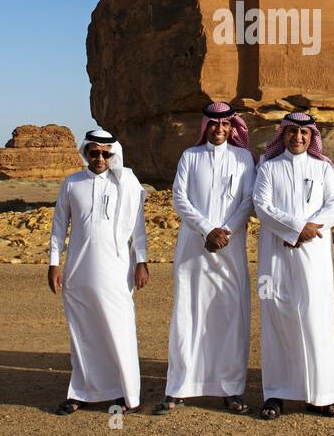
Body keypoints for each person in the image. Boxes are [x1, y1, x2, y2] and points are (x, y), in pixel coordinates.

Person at [155, 101, 257, 415]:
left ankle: (230, 388)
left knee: (229, 316)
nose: (219, 130)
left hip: (230, 247)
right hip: (193, 249)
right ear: (206, 127)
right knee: (188, 313)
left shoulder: (243, 159)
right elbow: (180, 198)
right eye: (214, 125)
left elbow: (248, 200)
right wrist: (205, 230)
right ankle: (179, 387)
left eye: (225, 125)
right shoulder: (190, 156)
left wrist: (224, 231)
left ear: (232, 127)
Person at [47, 128, 149, 415]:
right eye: (94, 152)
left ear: (113, 154)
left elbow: (137, 226)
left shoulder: (126, 183)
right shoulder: (71, 183)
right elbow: (59, 227)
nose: (100, 158)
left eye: (106, 153)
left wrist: (141, 260)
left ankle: (123, 393)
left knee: (118, 328)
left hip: (117, 268)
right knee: (83, 330)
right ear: (85, 153)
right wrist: (54, 262)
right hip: (78, 269)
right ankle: (82, 392)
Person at [252, 111, 334, 420]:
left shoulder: (323, 169)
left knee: (316, 318)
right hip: (275, 254)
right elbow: (262, 206)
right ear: (284, 134)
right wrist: (295, 228)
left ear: (312, 136)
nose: (298, 137)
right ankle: (277, 393)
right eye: (292, 132)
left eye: (305, 133)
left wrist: (309, 229)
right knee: (278, 316)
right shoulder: (268, 168)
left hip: (314, 254)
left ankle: (321, 395)